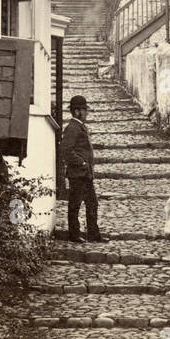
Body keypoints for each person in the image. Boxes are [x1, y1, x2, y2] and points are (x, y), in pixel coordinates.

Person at [60, 94, 101, 243]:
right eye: (84, 110)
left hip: (85, 174)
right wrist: (82, 163)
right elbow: (66, 150)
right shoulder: (72, 128)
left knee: (92, 203)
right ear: (77, 111)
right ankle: (74, 235)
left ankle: (94, 235)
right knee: (75, 205)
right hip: (78, 174)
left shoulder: (80, 127)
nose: (86, 113)